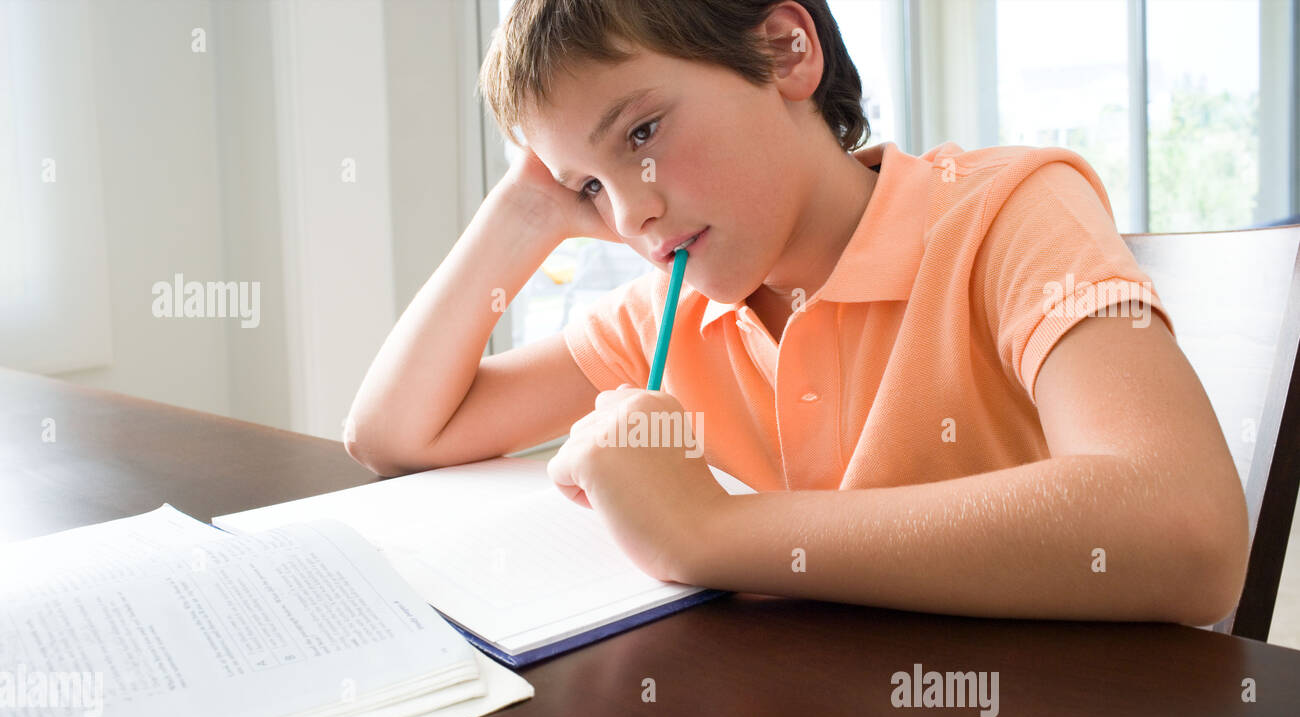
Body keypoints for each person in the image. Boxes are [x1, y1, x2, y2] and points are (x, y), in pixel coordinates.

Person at [344, 0, 1248, 627]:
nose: (631, 216)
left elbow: (1189, 528)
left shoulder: (1006, 214)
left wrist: (709, 532)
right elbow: (395, 434)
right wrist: (525, 212)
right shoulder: (682, 311)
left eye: (643, 135)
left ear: (785, 51)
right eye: (588, 185)